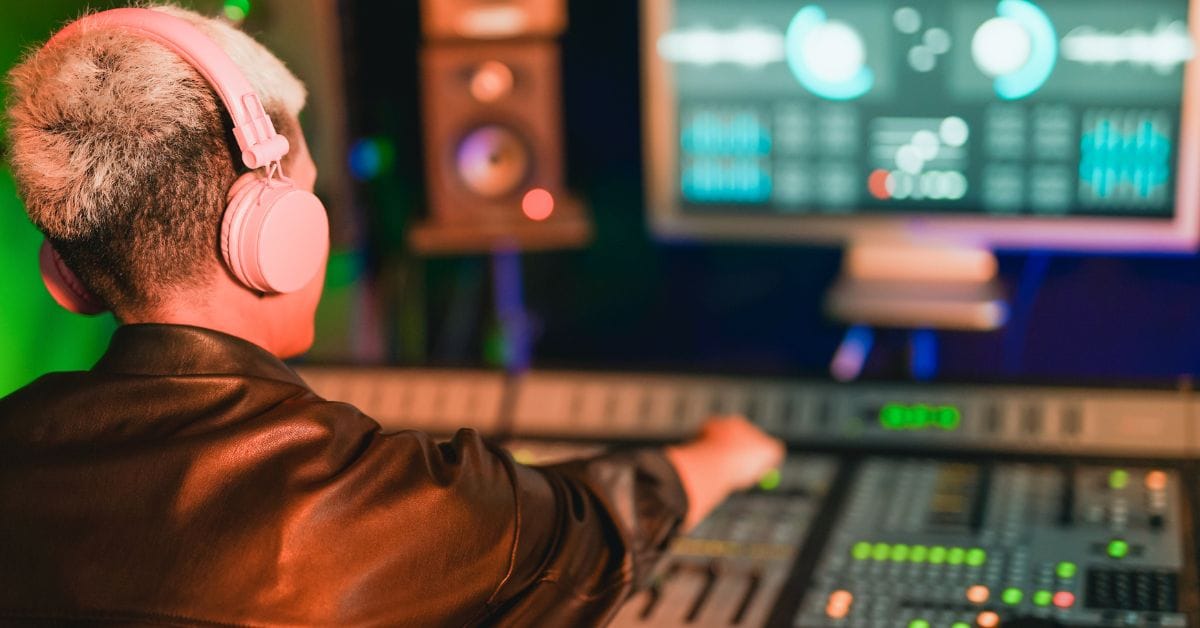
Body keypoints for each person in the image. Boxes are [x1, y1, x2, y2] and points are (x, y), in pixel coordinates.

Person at [0, 5, 785, 626]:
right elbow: (588, 531)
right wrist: (719, 455)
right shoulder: (373, 504)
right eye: (309, 193)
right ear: (275, 235)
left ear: (66, 278)